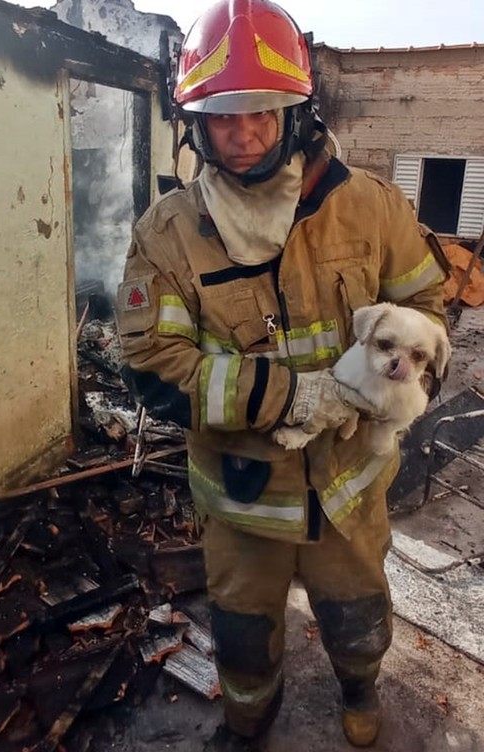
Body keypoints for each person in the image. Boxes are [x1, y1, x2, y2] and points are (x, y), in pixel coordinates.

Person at [114, 0, 448, 747]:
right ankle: (248, 718)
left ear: (298, 112)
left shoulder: (366, 206)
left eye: (263, 111)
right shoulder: (168, 234)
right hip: (241, 501)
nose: (243, 133)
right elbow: (153, 369)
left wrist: (411, 378)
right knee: (242, 636)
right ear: (194, 123)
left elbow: (427, 301)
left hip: (349, 487)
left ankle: (359, 693)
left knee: (357, 615)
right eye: (223, 115)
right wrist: (297, 394)